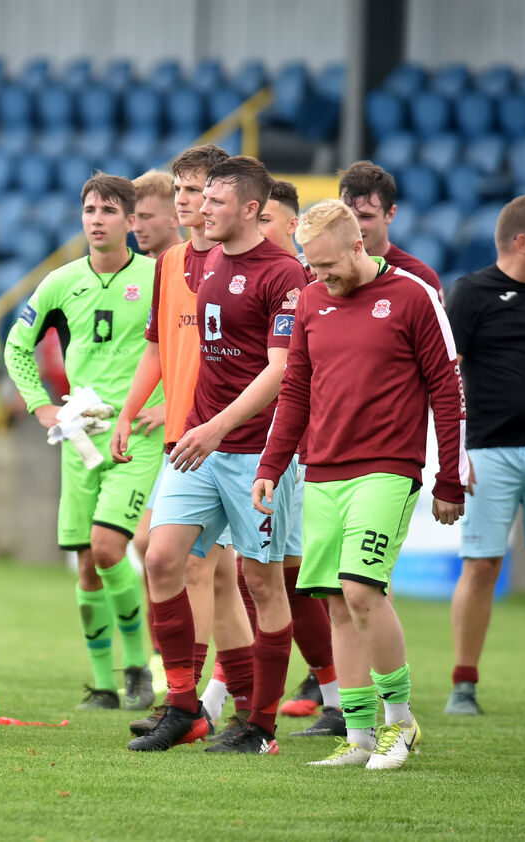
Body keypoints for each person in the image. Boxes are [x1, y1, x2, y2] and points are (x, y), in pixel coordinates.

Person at [255, 198, 467, 769]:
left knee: (361, 590)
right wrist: (271, 466)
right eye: (311, 267)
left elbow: (447, 391)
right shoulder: (312, 302)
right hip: (321, 470)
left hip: (388, 466)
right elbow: (296, 388)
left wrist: (451, 474)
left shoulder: (412, 296)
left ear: (358, 244)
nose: (319, 277)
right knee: (335, 605)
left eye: (327, 265)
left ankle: (400, 723)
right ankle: (359, 735)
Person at [126, 156, 308, 755]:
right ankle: (182, 705)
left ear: (251, 209)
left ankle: (260, 725)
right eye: (199, 200)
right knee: (160, 557)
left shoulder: (285, 275)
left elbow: (281, 372)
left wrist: (216, 426)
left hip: (258, 453)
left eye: (214, 202)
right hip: (199, 447)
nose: (201, 210)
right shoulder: (203, 266)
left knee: (262, 581)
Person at [112, 146, 253, 738]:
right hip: (185, 442)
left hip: (240, 440)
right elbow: (159, 350)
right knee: (184, 566)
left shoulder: (243, 262)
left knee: (257, 580)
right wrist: (129, 411)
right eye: (180, 190)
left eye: (194, 190)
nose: (183, 201)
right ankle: (194, 701)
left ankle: (249, 702)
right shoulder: (172, 263)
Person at [5, 173, 160, 712]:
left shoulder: (160, 278)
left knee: (108, 546)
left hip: (137, 435)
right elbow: (17, 347)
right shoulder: (59, 282)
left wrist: (166, 407)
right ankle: (102, 684)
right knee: (89, 564)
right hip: (79, 438)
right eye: (90, 209)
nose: (97, 219)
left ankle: (139, 666)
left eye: (110, 211)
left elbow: (186, 352)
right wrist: (41, 404)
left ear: (131, 221)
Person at [256, 178, 345, 735]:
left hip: (290, 452)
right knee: (275, 579)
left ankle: (224, 702)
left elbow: (290, 374)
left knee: (286, 581)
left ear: (292, 226)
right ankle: (331, 697)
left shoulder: (302, 283)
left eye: (267, 219)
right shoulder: (218, 269)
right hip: (253, 448)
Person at [443, 195, 525, 715]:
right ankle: (463, 684)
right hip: (489, 452)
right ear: (521, 241)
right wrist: (454, 453)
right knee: (481, 566)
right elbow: (445, 376)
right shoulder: (472, 293)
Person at [339, 161, 441, 296]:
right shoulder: (320, 273)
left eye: (366, 216)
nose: (355, 226)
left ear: (390, 214)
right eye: (347, 215)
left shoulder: (421, 278)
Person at [131, 170, 184, 260]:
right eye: (133, 218)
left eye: (145, 217)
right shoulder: (135, 270)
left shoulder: (201, 266)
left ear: (176, 218)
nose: (135, 228)